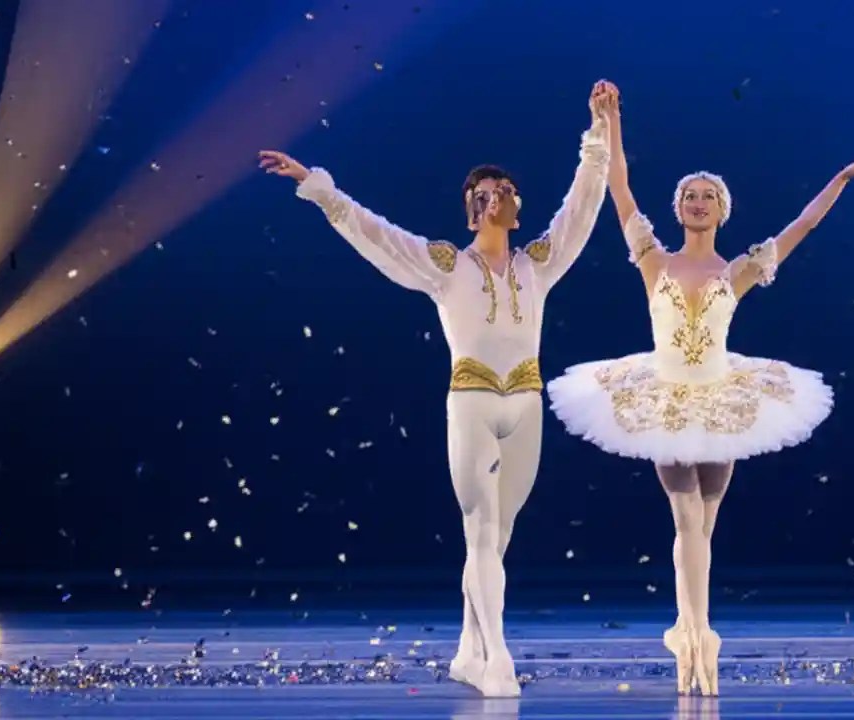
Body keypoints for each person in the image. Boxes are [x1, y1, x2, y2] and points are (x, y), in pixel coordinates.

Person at [258, 81, 614, 697]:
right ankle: (497, 658)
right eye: (484, 193)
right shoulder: (446, 265)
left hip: (525, 404)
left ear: (517, 206)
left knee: (499, 539)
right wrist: (318, 188)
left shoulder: (537, 264)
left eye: (504, 191)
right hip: (471, 404)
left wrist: (599, 131)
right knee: (481, 531)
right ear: (470, 209)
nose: (495, 197)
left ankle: (468, 651)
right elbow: (378, 235)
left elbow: (581, 208)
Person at [546, 82, 854, 696]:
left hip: (723, 399)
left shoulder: (739, 270)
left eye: (708, 196)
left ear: (722, 209)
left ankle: (689, 633)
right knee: (686, 522)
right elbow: (619, 186)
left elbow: (802, 226)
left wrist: (841, 178)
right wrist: (610, 120)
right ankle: (698, 637)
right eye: (690, 196)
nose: (698, 202)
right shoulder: (653, 258)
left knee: (702, 528)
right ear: (678, 208)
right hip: (664, 399)